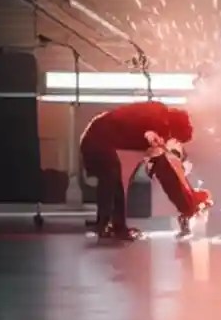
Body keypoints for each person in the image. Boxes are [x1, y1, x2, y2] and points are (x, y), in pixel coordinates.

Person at [79, 100, 200, 240]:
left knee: (113, 181)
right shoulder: (157, 124)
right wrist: (186, 207)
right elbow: (165, 173)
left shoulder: (157, 114)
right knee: (111, 179)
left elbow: (163, 170)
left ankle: (113, 226)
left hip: (97, 137)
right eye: (173, 137)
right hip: (97, 140)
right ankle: (108, 226)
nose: (170, 140)